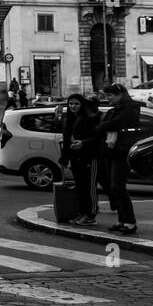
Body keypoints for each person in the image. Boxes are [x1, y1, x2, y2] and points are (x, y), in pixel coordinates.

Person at [97, 84, 140, 234]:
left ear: (120, 94)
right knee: (114, 187)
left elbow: (113, 123)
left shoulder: (130, 108)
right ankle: (123, 220)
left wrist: (104, 125)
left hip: (121, 151)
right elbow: (103, 125)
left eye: (110, 95)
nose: (108, 98)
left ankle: (130, 222)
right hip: (112, 151)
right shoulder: (115, 109)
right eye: (106, 95)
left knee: (118, 186)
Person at [58, 94, 103, 227]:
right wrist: (65, 157)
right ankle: (83, 213)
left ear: (82, 104)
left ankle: (91, 215)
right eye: (71, 103)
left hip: (89, 157)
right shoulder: (70, 118)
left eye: (76, 103)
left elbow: (98, 138)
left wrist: (83, 143)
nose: (73, 106)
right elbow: (67, 139)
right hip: (75, 158)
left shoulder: (90, 118)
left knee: (90, 187)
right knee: (81, 188)